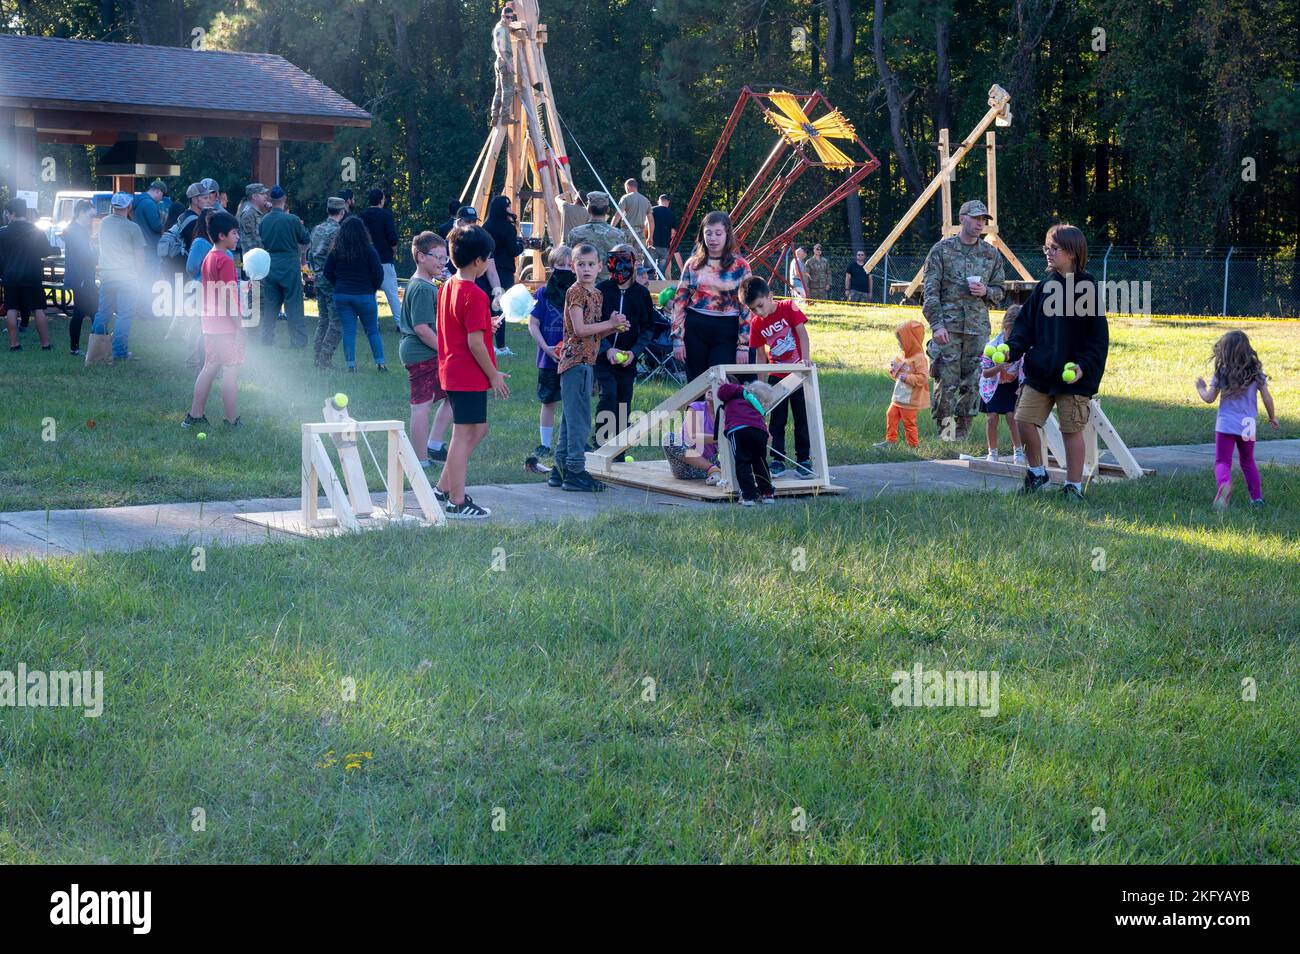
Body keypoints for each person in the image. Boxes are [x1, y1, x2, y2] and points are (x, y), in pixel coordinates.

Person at [1002, 223, 1107, 500]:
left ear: (1072, 253)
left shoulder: (1086, 288)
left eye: (1054, 248)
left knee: (1071, 430)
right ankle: (1037, 472)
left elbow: (1097, 338)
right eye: (1046, 247)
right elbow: (1025, 326)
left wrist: (1083, 366)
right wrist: (1010, 351)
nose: (1048, 253)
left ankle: (1073, 486)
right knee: (1023, 420)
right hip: (1041, 371)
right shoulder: (1045, 286)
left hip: (1073, 375)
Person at [436, 225, 508, 518]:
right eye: (488, 258)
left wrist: (484, 325)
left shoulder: (448, 286)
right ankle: (456, 501)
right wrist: (494, 375)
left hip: (454, 371)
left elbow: (460, 326)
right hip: (467, 374)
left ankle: (443, 487)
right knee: (465, 434)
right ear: (478, 261)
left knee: (474, 430)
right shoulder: (476, 294)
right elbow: (474, 343)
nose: (489, 263)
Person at [922, 200, 1006, 442]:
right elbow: (930, 292)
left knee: (973, 383)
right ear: (963, 219)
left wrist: (986, 292)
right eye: (976, 218)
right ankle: (945, 435)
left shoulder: (991, 254)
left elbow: (1000, 290)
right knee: (946, 382)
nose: (981, 223)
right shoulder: (942, 250)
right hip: (947, 328)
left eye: (984, 220)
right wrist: (936, 325)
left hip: (977, 330)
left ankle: (962, 434)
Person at [550, 243, 628, 492]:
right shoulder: (575, 292)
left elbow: (595, 332)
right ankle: (575, 471)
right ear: (573, 267)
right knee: (580, 420)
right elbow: (580, 330)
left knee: (570, 419)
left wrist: (614, 325)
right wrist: (609, 322)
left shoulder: (597, 294)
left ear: (599, 267)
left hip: (588, 362)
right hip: (574, 362)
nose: (586, 269)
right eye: (581, 264)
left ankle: (559, 470)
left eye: (590, 264)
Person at [1195, 330, 1278, 507]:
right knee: (1248, 462)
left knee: (1222, 461)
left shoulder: (1221, 372)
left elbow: (1209, 398)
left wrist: (1200, 388)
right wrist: (1272, 417)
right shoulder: (1256, 373)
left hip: (1226, 425)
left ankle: (1224, 485)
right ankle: (1256, 499)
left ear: (1225, 351)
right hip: (1248, 425)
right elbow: (1266, 397)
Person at [741, 276, 812, 477]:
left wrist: (805, 360)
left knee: (802, 418)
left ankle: (803, 460)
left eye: (761, 306)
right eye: (753, 309)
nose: (759, 312)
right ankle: (778, 460)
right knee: (777, 421)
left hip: (798, 374)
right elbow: (761, 356)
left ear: (770, 296)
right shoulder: (756, 324)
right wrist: (760, 387)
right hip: (776, 376)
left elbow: (802, 333)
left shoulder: (790, 307)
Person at [669, 210, 752, 381]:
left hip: (727, 330)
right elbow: (680, 302)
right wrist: (677, 338)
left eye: (718, 233)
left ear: (727, 234)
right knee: (696, 386)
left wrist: (743, 345)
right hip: (696, 329)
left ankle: (717, 410)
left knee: (719, 384)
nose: (713, 238)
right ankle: (696, 410)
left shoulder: (741, 266)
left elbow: (746, 307)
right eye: (708, 233)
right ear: (702, 235)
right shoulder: (692, 264)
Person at [183, 211, 245, 429]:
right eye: (234, 233)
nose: (238, 237)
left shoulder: (209, 257)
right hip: (226, 325)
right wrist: (239, 326)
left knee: (210, 366)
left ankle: (195, 415)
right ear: (221, 235)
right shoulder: (225, 260)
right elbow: (228, 296)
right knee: (231, 368)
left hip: (209, 322)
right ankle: (231, 420)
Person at [594, 246, 654, 452]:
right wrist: (606, 348)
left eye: (624, 261)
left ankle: (619, 450)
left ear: (634, 263)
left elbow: (648, 328)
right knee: (608, 395)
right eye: (615, 261)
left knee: (623, 402)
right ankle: (600, 444)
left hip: (628, 359)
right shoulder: (601, 291)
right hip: (603, 358)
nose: (620, 267)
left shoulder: (642, 294)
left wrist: (634, 352)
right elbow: (593, 323)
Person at [400, 231, 450, 468]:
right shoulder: (421, 287)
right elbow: (421, 328)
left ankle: (434, 445)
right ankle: (420, 461)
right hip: (421, 353)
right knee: (421, 406)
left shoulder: (429, 285)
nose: (442, 262)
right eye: (437, 257)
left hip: (430, 352)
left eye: (445, 258)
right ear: (420, 256)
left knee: (456, 394)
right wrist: (446, 349)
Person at [528, 244, 574, 459]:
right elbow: (533, 324)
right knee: (548, 402)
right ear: (551, 267)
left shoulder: (577, 294)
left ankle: (571, 442)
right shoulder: (543, 293)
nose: (565, 269)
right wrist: (545, 347)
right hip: (548, 358)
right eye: (560, 265)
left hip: (573, 357)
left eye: (569, 265)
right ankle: (545, 444)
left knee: (572, 402)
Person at [324, 217, 386, 372]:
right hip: (365, 294)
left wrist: (338, 285)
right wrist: (372, 289)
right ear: (363, 232)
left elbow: (327, 272)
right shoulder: (369, 250)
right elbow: (379, 274)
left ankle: (351, 365)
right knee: (372, 330)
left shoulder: (336, 251)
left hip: (342, 295)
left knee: (349, 331)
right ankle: (380, 363)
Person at [90, 193, 146, 360]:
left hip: (107, 275)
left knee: (103, 313)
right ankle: (119, 352)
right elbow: (140, 257)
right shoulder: (133, 228)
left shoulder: (103, 224)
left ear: (113, 206)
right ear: (128, 207)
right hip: (128, 277)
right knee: (124, 314)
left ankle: (97, 351)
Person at [257, 185, 311, 347]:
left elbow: (262, 239)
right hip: (289, 265)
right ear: (284, 199)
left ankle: (266, 340)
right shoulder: (292, 219)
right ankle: (298, 342)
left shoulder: (264, 221)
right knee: (294, 304)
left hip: (270, 265)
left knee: (271, 306)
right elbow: (305, 237)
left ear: (270, 201)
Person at [1, 198, 54, 351]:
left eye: (7, 213)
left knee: (11, 309)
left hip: (11, 276)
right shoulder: (36, 231)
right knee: (38, 308)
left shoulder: (3, 232)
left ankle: (14, 344)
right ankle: (45, 344)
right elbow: (46, 251)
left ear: (12, 213)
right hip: (32, 274)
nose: (6, 215)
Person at [716, 379, 777, 505]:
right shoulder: (750, 401)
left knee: (742, 462)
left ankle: (749, 496)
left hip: (738, 430)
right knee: (760, 462)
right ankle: (767, 493)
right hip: (759, 431)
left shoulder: (733, 395)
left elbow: (721, 393)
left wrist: (726, 385)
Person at [977, 305, 1025, 463]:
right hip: (993, 385)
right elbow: (985, 373)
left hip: (1012, 385)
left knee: (1012, 417)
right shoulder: (992, 346)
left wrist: (1021, 386)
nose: (1015, 335)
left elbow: (1024, 368)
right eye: (1012, 331)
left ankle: (1018, 452)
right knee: (991, 418)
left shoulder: (1022, 345)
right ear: (1005, 327)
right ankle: (992, 452)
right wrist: (998, 368)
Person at [875, 318, 930, 450]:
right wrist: (893, 370)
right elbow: (899, 377)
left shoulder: (920, 359)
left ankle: (913, 445)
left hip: (910, 400)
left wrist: (907, 377)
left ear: (910, 340)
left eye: (901, 340)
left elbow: (922, 378)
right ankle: (890, 441)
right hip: (898, 397)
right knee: (891, 414)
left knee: (909, 422)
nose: (899, 343)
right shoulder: (906, 356)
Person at [309, 197, 348, 369]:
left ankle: (317, 356)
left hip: (318, 277)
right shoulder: (339, 231)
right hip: (331, 279)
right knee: (337, 322)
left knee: (323, 319)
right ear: (342, 212)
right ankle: (325, 359)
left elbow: (310, 253)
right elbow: (340, 257)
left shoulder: (317, 229)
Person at [483, 195, 524, 355]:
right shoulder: (508, 227)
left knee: (489, 307)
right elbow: (513, 250)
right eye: (507, 205)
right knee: (501, 308)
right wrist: (521, 245)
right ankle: (500, 346)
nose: (509, 208)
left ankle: (487, 343)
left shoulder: (486, 226)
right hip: (505, 271)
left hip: (488, 269)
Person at [61, 199, 97, 355]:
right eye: (91, 216)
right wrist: (97, 253)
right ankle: (79, 347)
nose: (92, 220)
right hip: (82, 278)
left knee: (89, 311)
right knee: (84, 312)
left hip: (81, 278)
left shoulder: (74, 230)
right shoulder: (76, 231)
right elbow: (83, 256)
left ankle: (86, 345)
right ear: (81, 213)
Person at [361, 188, 401, 325]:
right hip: (384, 259)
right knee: (392, 294)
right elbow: (392, 237)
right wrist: (393, 250)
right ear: (380, 200)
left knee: (370, 294)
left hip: (366, 260)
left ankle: (373, 323)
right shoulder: (385, 215)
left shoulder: (363, 215)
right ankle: (400, 323)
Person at [566, 192, 623, 281]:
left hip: (582, 286)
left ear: (588, 209)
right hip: (609, 286)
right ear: (607, 210)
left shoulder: (575, 233)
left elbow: (569, 261)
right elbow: (620, 266)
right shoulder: (619, 235)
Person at [664, 399, 721, 484]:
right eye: (708, 386)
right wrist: (720, 438)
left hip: (712, 462)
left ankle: (717, 472)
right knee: (668, 437)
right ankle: (712, 469)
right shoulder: (695, 407)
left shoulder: (725, 413)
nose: (710, 388)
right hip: (685, 467)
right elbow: (692, 437)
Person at [130, 179, 167, 279]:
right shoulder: (150, 204)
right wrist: (164, 219)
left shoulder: (137, 201)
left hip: (140, 245)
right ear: (158, 191)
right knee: (151, 278)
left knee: (142, 276)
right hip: (151, 247)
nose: (161, 198)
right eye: (162, 195)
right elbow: (156, 226)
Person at [489, 5, 517, 127]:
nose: (510, 19)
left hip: (500, 62)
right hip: (504, 60)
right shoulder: (500, 29)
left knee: (499, 90)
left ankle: (494, 116)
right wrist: (509, 63)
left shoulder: (502, 27)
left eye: (512, 17)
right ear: (502, 16)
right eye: (508, 17)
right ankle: (505, 116)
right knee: (508, 90)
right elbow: (500, 49)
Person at [615, 178, 652, 253]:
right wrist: (650, 237)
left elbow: (618, 215)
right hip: (640, 233)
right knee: (638, 258)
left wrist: (610, 227)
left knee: (625, 256)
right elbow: (651, 220)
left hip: (627, 231)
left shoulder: (625, 198)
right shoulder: (646, 200)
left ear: (628, 187)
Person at [647, 194, 679, 279]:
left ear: (658, 201)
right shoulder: (671, 214)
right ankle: (659, 290)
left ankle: (648, 289)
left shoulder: (652, 210)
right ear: (668, 202)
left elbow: (646, 226)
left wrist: (647, 238)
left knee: (648, 270)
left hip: (652, 244)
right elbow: (673, 232)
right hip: (665, 246)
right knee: (661, 272)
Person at [238, 184, 269, 257]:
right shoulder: (248, 213)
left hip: (258, 255)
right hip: (253, 257)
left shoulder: (255, 211)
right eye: (262, 194)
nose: (266, 196)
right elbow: (254, 238)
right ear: (254, 196)